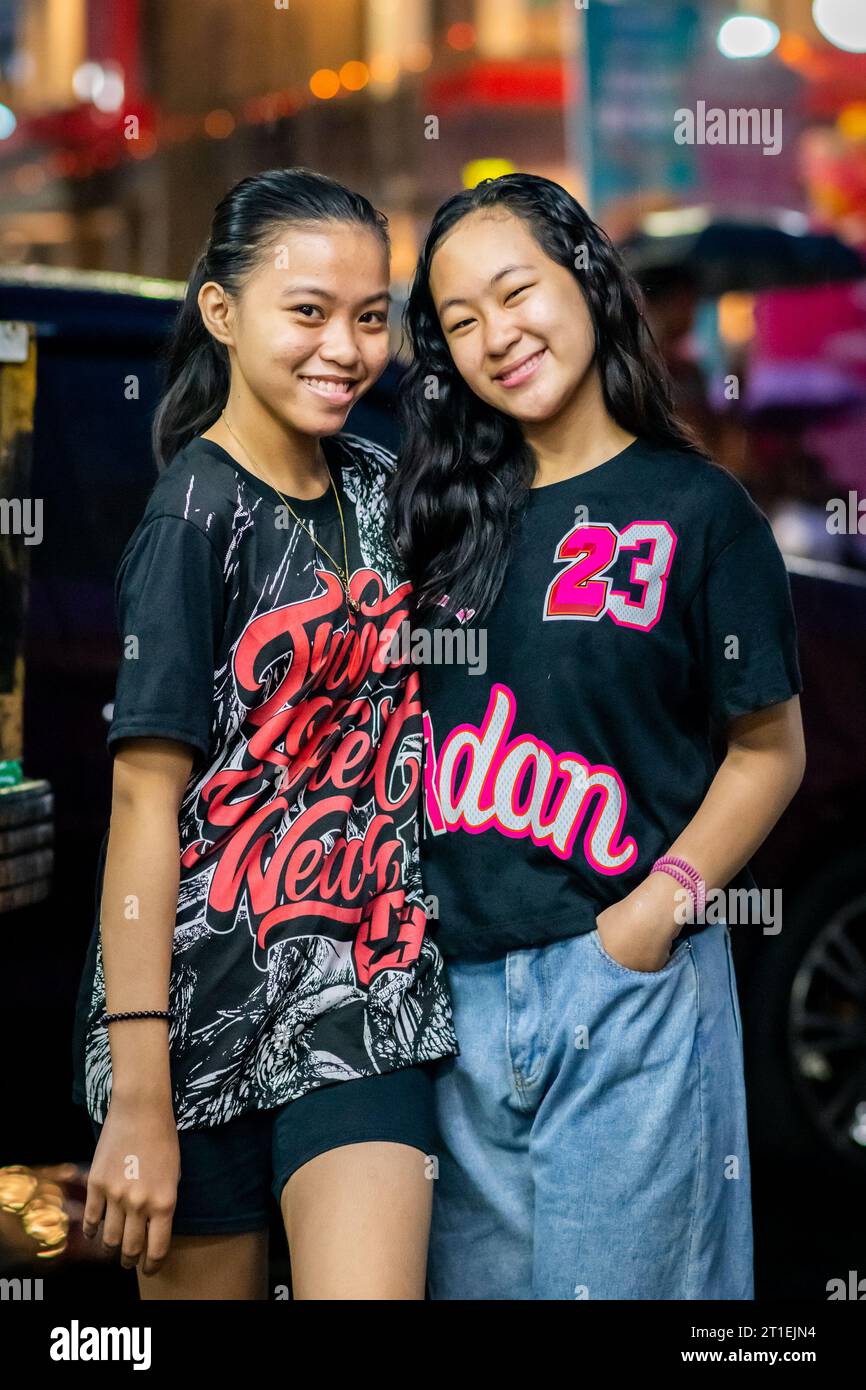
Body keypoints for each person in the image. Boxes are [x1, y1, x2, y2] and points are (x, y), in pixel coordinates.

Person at [389, 174, 806, 1300]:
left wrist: (647, 917)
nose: (494, 337)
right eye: (460, 322)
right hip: (449, 1005)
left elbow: (769, 748)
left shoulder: (697, 511)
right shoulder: (437, 518)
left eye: (513, 291)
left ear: (582, 275)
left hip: (624, 981)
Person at [71, 168, 458, 1301]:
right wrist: (141, 1097)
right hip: (193, 1021)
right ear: (223, 313)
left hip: (364, 993)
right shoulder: (192, 518)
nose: (344, 346)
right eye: (307, 311)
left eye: (370, 315)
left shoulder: (385, 489)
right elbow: (143, 807)